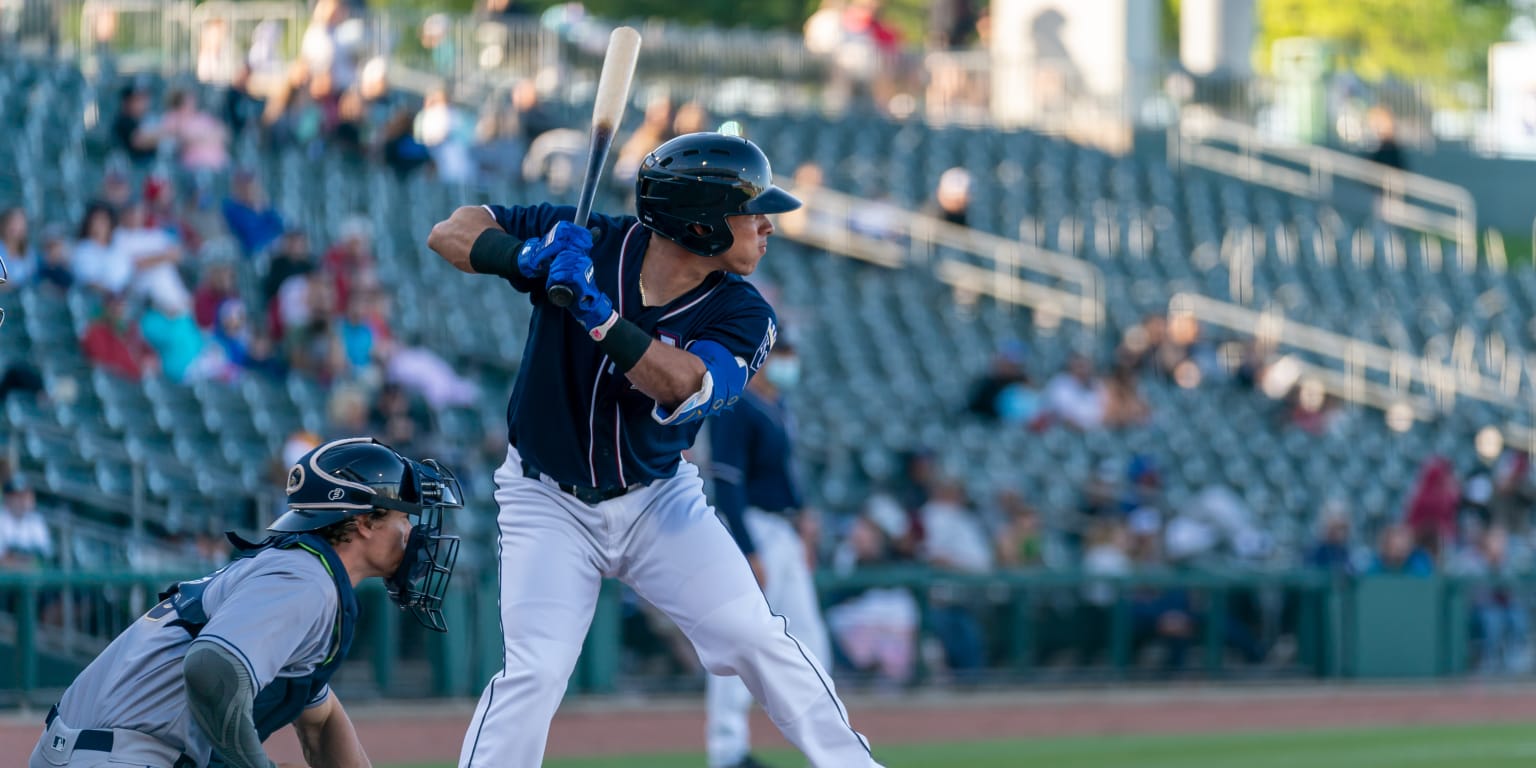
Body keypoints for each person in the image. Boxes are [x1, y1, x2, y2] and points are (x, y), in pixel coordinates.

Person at [427, 132, 882, 767]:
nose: (768, 226)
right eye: (752, 212)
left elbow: (687, 383)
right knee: (536, 672)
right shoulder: (589, 234)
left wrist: (601, 317)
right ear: (699, 222)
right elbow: (449, 231)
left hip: (658, 503)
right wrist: (524, 257)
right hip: (545, 498)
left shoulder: (747, 314)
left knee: (756, 637)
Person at [30, 437, 461, 768]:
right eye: (404, 516)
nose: (411, 531)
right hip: (118, 755)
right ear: (365, 522)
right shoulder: (306, 580)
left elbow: (322, 719)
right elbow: (212, 668)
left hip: (97, 750)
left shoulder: (301, 573)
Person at [702, 341, 832, 768]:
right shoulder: (735, 407)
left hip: (784, 529)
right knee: (739, 640)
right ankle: (727, 750)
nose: (785, 363)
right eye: (778, 355)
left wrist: (804, 522)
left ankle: (829, 745)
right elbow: (728, 484)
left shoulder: (779, 405)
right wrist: (746, 546)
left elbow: (788, 477)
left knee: (810, 640)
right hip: (753, 527)